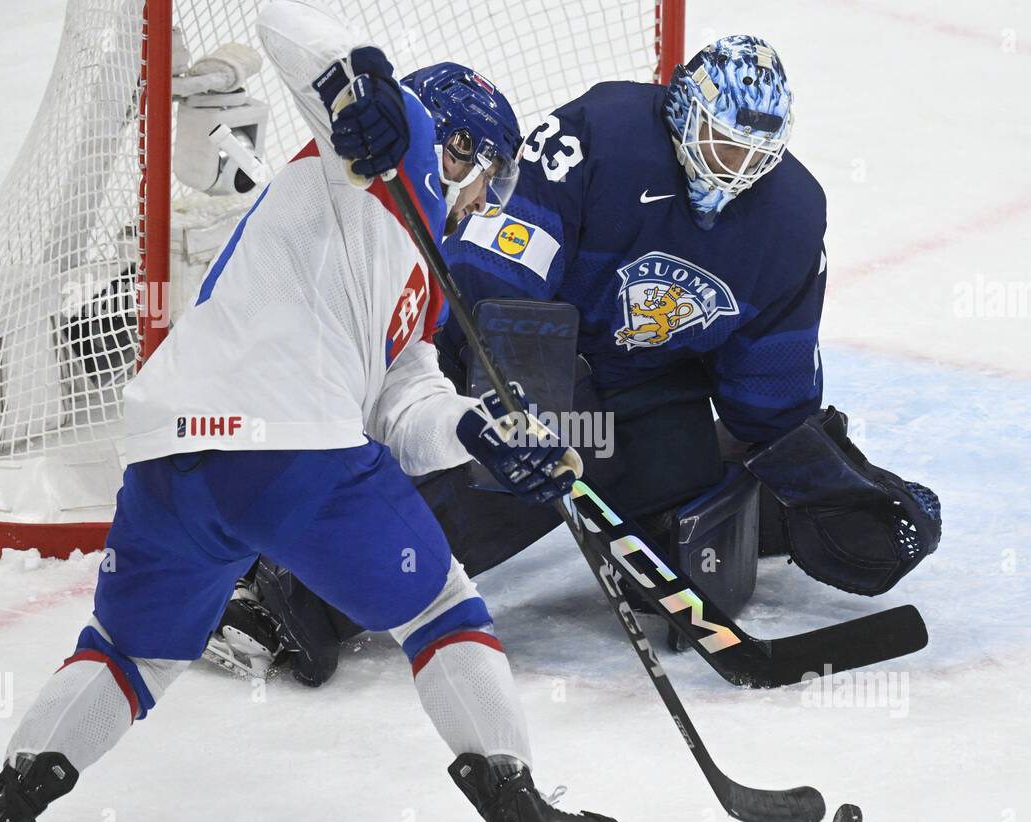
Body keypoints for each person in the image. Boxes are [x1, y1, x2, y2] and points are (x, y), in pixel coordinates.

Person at [0, 0, 628, 822]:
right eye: (490, 176)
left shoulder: (418, 284)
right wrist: (353, 83)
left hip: (170, 462)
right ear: (460, 148)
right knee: (441, 608)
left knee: (131, 650)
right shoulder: (391, 153)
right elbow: (290, 22)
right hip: (294, 456)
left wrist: (480, 433)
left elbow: (406, 410)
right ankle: (523, 818)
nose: (484, 200)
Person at [212, 33, 942, 685]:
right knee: (517, 468)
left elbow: (766, 393)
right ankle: (292, 594)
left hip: (638, 388)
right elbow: (506, 273)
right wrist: (522, 410)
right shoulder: (602, 134)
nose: (735, 172)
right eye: (724, 146)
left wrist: (829, 486)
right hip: (503, 331)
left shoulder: (789, 217)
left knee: (674, 464)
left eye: (756, 157)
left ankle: (675, 526)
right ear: (687, 111)